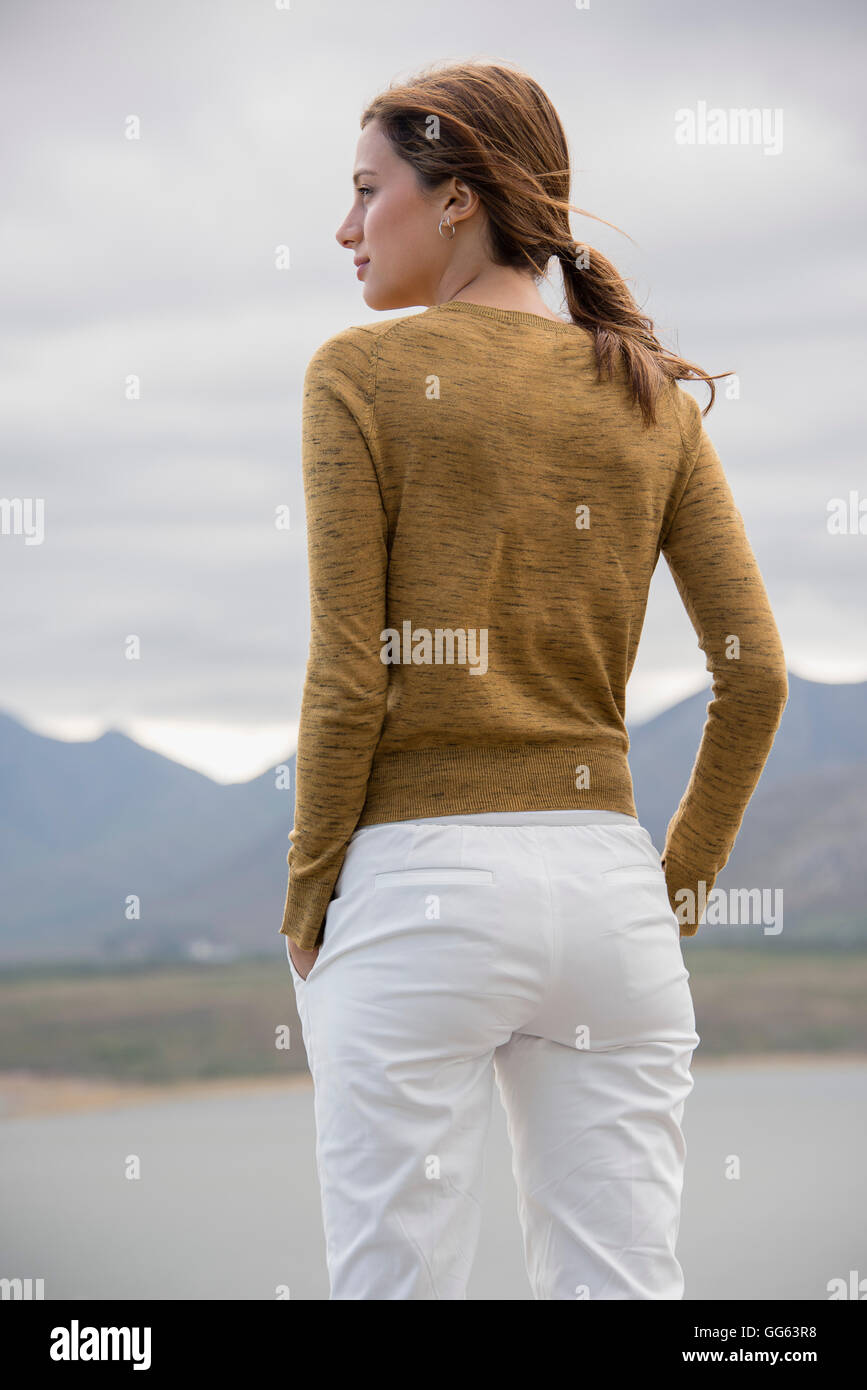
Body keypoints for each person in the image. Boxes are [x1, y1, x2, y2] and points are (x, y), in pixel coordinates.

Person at [278, 59, 788, 1300]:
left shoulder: (360, 375)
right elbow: (757, 674)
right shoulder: (648, 395)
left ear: (456, 198)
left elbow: (350, 677)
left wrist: (308, 895)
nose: (345, 229)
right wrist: (670, 894)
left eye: (366, 191)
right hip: (610, 897)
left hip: (416, 890)